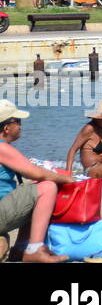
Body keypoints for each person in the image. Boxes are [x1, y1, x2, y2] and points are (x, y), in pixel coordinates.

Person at [0, 99, 76, 262]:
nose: (20, 126)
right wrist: (67, 180)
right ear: (6, 128)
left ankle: (21, 248)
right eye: (17, 121)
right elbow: (35, 173)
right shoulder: (2, 148)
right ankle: (34, 249)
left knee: (34, 191)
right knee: (47, 187)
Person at [63, 99, 102, 179]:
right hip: (92, 170)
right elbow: (72, 150)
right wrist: (68, 173)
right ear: (97, 117)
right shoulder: (89, 129)